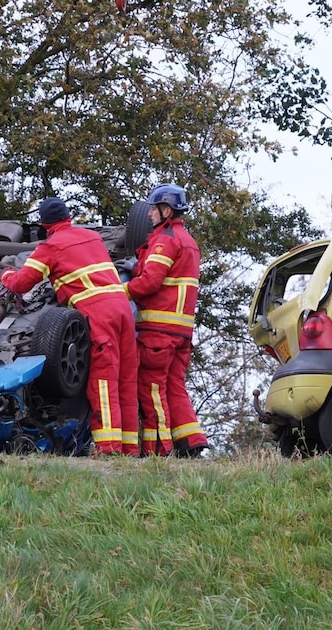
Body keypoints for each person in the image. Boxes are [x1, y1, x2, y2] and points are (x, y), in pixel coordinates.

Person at [0, 197, 140, 456]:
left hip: (98, 313)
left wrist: (5, 274)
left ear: (44, 224)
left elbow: (21, 283)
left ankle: (109, 448)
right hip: (122, 308)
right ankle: (130, 448)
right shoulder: (92, 237)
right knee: (126, 379)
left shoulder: (50, 247)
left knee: (104, 380)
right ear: (67, 217)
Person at [120, 183, 209, 457]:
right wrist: (136, 266)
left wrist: (118, 292)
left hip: (158, 332)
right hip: (181, 333)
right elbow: (167, 272)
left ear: (166, 210)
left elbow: (149, 283)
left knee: (152, 390)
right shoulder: (188, 242)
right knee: (174, 388)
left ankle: (159, 449)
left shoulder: (166, 239)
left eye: (153, 210)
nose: (149, 215)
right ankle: (191, 443)